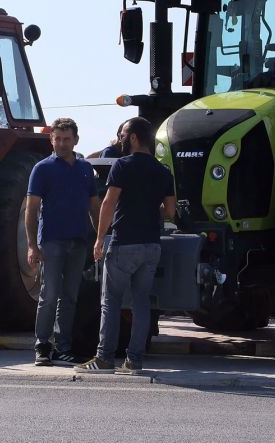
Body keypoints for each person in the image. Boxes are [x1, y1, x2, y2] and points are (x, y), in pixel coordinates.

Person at [76, 116, 176, 373]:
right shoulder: (163, 171)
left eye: (122, 136)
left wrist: (99, 238)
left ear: (133, 138)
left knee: (110, 301)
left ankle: (104, 358)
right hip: (152, 245)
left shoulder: (122, 165)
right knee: (141, 302)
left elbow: (108, 203)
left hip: (124, 244)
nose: (120, 140)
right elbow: (170, 211)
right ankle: (134, 360)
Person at [26, 117, 100, 366]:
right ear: (51, 140)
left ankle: (63, 345)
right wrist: (31, 245)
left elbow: (94, 205)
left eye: (66, 139)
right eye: (57, 138)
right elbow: (31, 208)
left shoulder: (85, 169)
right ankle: (42, 345)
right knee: (49, 294)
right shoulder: (42, 169)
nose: (62, 143)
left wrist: (100, 236)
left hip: (79, 241)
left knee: (70, 296)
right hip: (51, 241)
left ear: (75, 140)